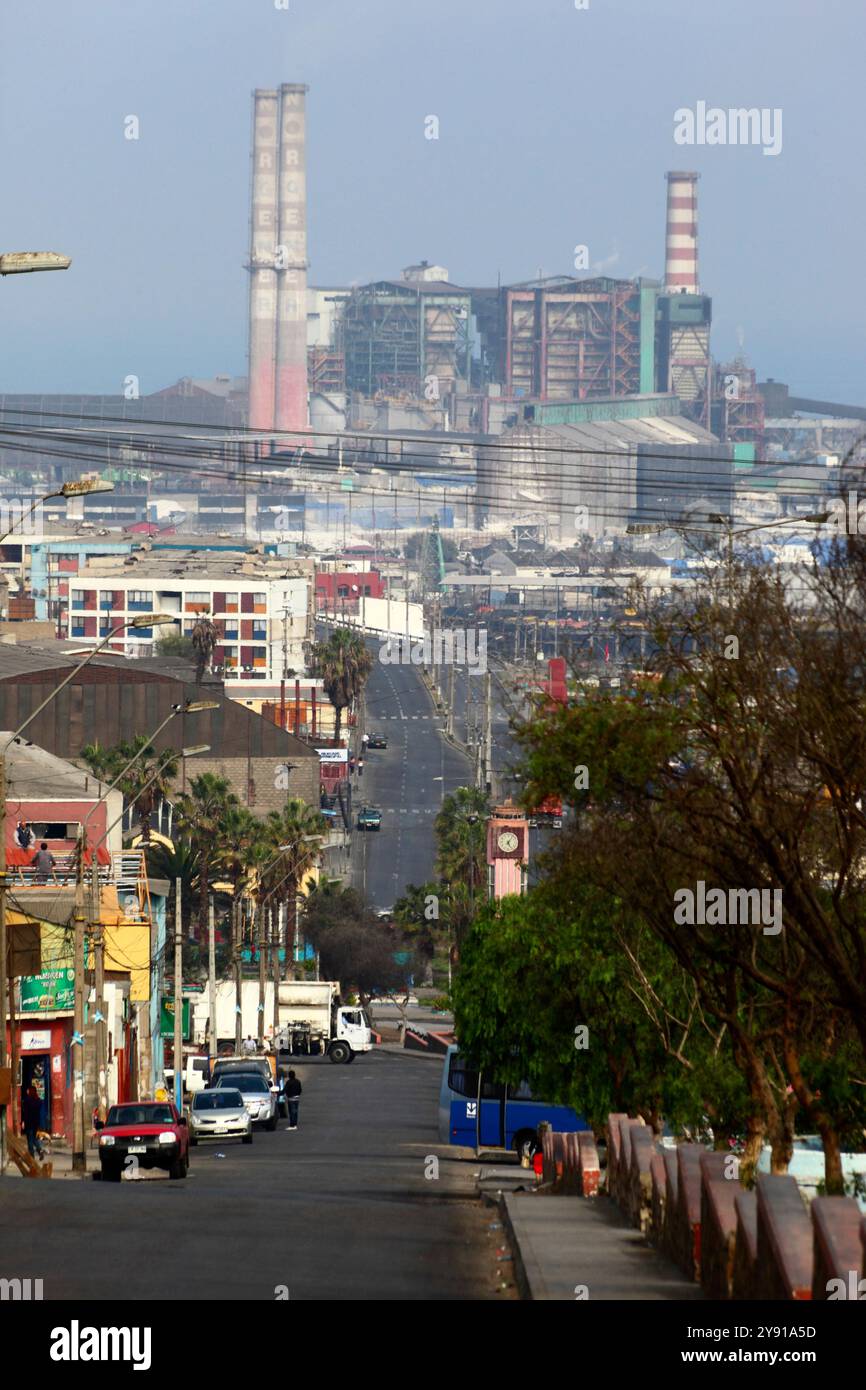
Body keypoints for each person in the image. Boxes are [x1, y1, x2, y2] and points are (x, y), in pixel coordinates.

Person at [22, 1085, 44, 1160]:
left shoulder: (27, 1100)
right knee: (34, 1138)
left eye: (28, 1090)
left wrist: (23, 1122)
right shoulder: (38, 1101)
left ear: (30, 1091)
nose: (27, 1091)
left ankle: (31, 1156)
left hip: (29, 1122)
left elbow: (25, 1113)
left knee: (30, 1140)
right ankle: (40, 1150)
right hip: (35, 1123)